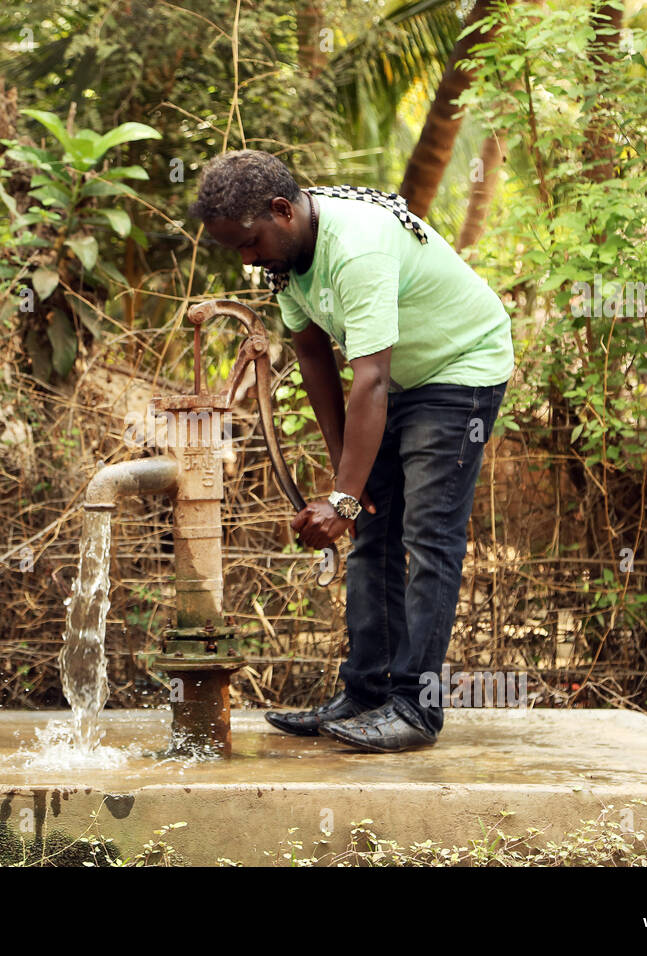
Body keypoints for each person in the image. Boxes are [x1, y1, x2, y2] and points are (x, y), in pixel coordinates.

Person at [187, 149, 514, 753]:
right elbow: (314, 358)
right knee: (370, 526)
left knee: (428, 534)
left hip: (460, 369)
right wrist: (350, 489)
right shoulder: (289, 262)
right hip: (396, 379)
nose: (248, 259)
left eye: (250, 243)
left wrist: (340, 496)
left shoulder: (356, 247)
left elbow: (370, 381)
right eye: (237, 250)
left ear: (282, 211)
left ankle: (415, 709)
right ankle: (366, 695)